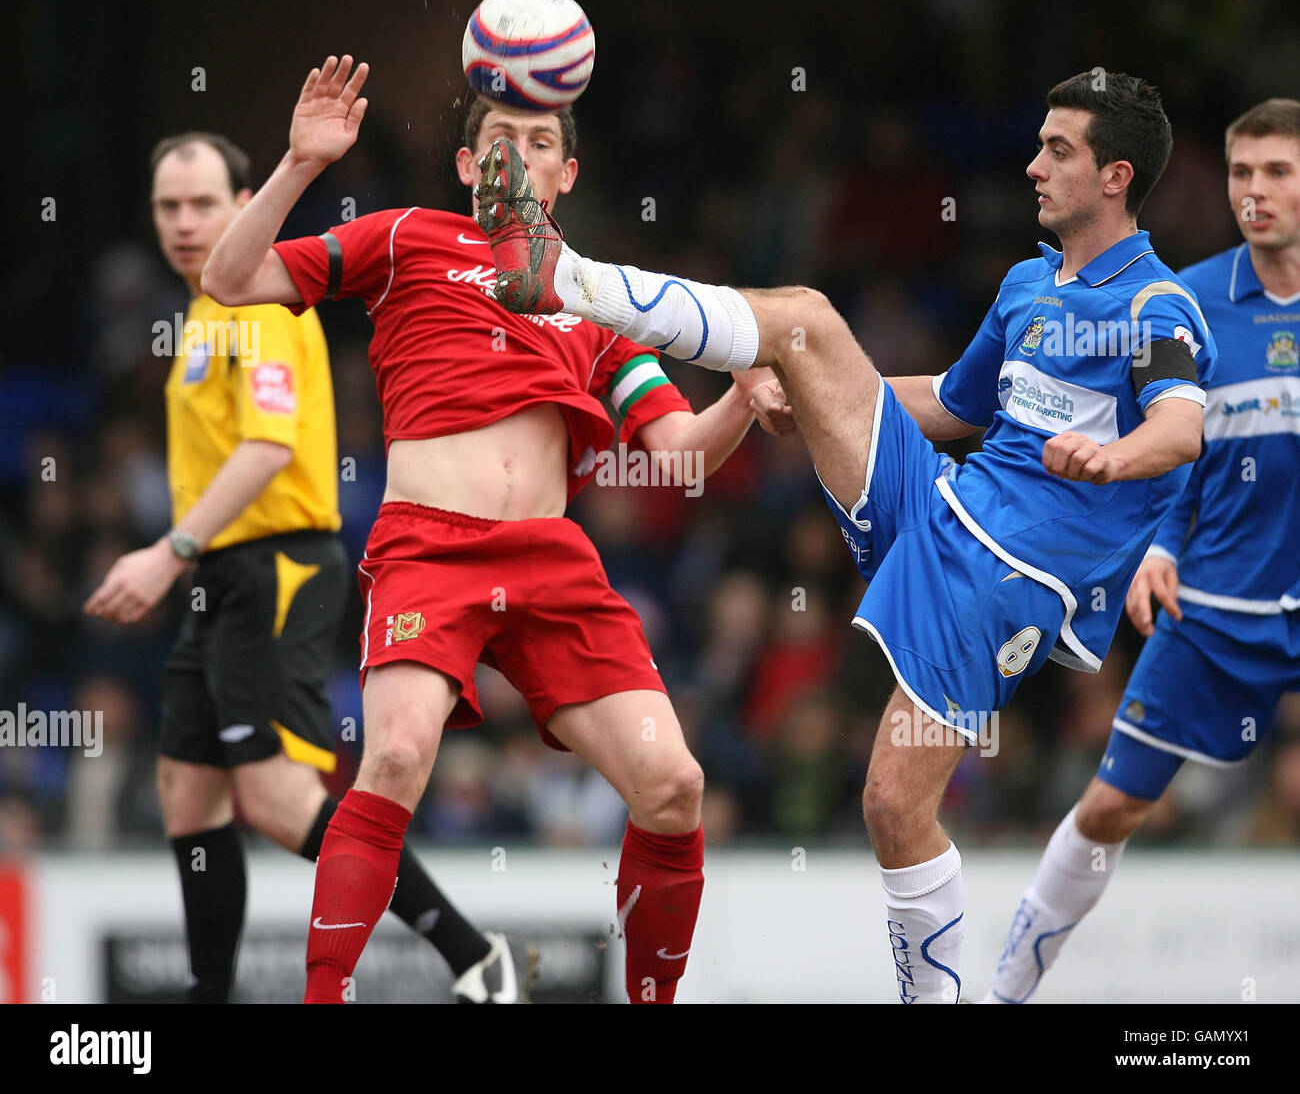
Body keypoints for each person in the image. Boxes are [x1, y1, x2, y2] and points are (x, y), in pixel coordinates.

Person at [480, 69, 1217, 1003]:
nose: (1032, 165)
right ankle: (565, 278)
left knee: (892, 805)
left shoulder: (1156, 306)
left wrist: (1112, 459)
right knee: (805, 330)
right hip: (945, 503)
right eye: (1036, 143)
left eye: (1058, 150)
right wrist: (818, 400)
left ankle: (566, 278)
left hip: (1007, 571)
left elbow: (1182, 426)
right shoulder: (1029, 281)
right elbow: (952, 403)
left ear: (1116, 177)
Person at [201, 56, 787, 1004]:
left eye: (540, 141)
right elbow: (229, 279)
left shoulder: (594, 298)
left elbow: (679, 453)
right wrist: (302, 163)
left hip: (552, 561)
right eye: (500, 139)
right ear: (469, 166)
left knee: (675, 785)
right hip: (429, 546)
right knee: (395, 756)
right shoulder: (405, 237)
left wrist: (744, 400)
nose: (519, 154)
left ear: (567, 174)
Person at [85, 130, 526, 1004]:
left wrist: (169, 552)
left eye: (204, 203)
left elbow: (269, 446)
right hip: (223, 575)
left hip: (274, 566)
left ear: (244, 202)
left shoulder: (256, 306)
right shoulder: (206, 312)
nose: (184, 222)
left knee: (280, 801)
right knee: (186, 789)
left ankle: (476, 955)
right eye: (169, 206)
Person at [982, 97, 1300, 1003]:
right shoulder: (1185, 301)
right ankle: (1004, 993)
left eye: (1278, 171)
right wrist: (1160, 546)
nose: (1254, 191)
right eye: (1241, 172)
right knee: (1113, 803)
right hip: (1215, 605)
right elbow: (1167, 440)